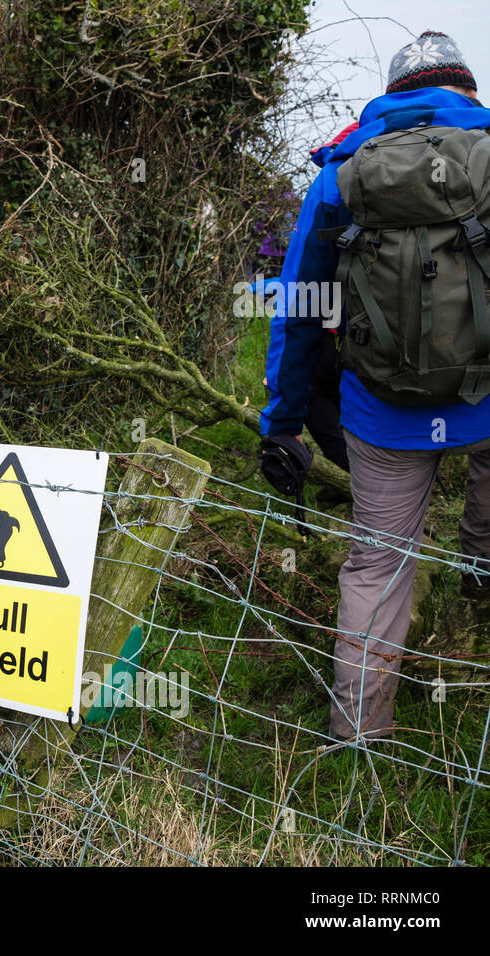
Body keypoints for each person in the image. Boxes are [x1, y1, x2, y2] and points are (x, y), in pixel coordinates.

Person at [261, 31, 490, 742]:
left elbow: (299, 307)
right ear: (466, 90)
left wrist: (283, 420)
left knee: (379, 567)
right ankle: (474, 652)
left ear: (392, 98)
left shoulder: (343, 172)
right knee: (485, 540)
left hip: (381, 409)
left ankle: (359, 733)